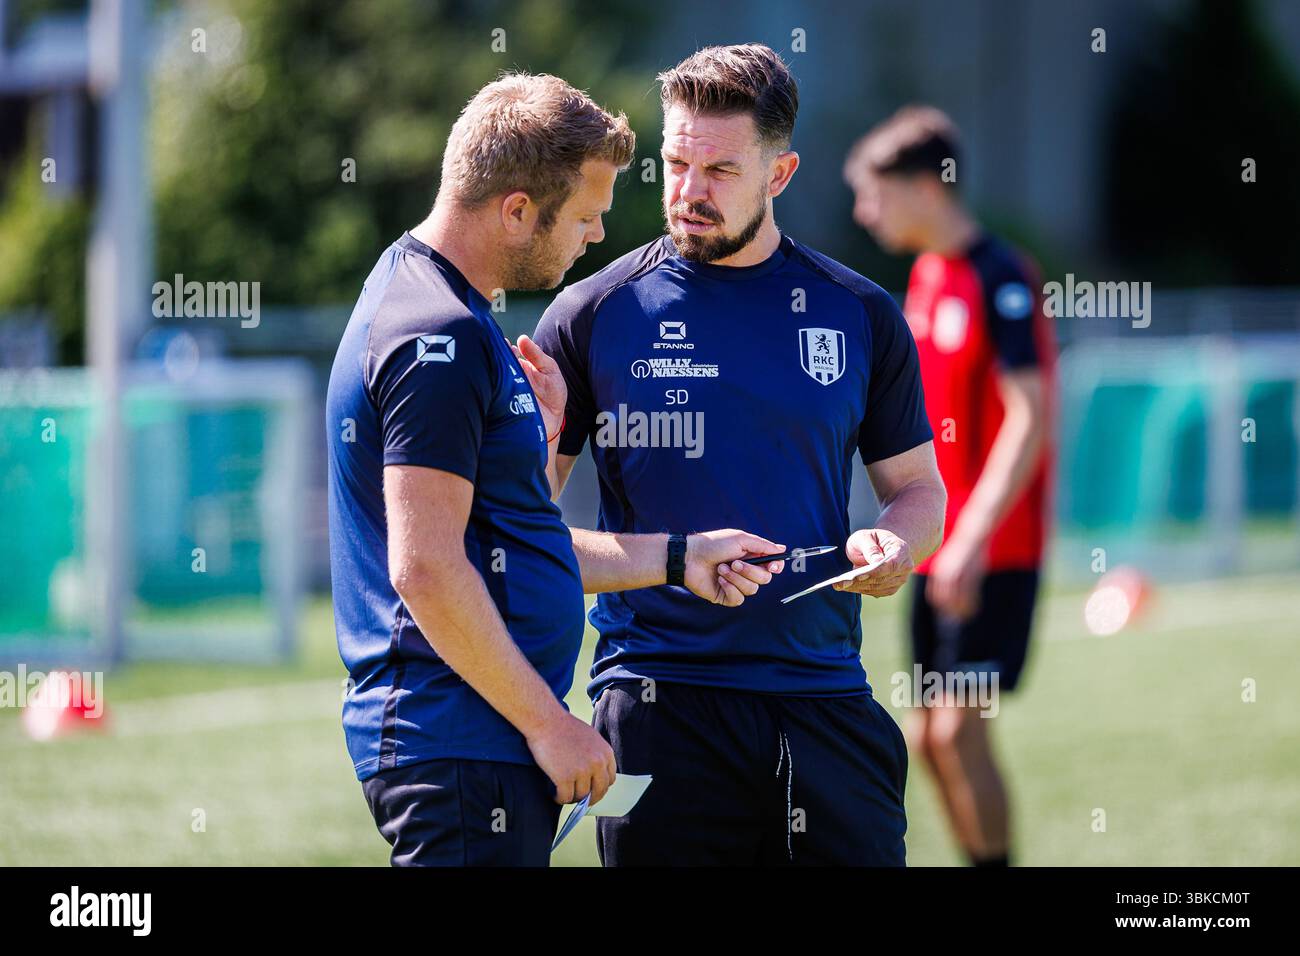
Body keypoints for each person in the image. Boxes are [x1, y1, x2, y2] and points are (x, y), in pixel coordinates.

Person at [326, 72, 784, 867]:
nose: (598, 236)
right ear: (515, 210)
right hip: (458, 741)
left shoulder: (453, 315)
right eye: (584, 216)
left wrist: (678, 557)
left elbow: (507, 544)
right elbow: (427, 567)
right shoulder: (435, 335)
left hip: (475, 743)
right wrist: (549, 722)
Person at [534, 45, 946, 866]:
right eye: (676, 163)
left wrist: (898, 541)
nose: (689, 191)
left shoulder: (859, 313)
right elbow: (519, 534)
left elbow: (919, 490)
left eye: (720, 170)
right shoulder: (589, 315)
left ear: (781, 174)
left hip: (824, 700)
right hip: (654, 704)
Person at [843, 105, 1057, 867]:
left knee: (957, 726)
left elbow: (1030, 417)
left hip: (992, 550)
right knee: (931, 738)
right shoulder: (927, 279)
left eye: (877, 193)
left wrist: (971, 539)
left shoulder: (1003, 277)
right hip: (937, 547)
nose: (866, 212)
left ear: (928, 188)